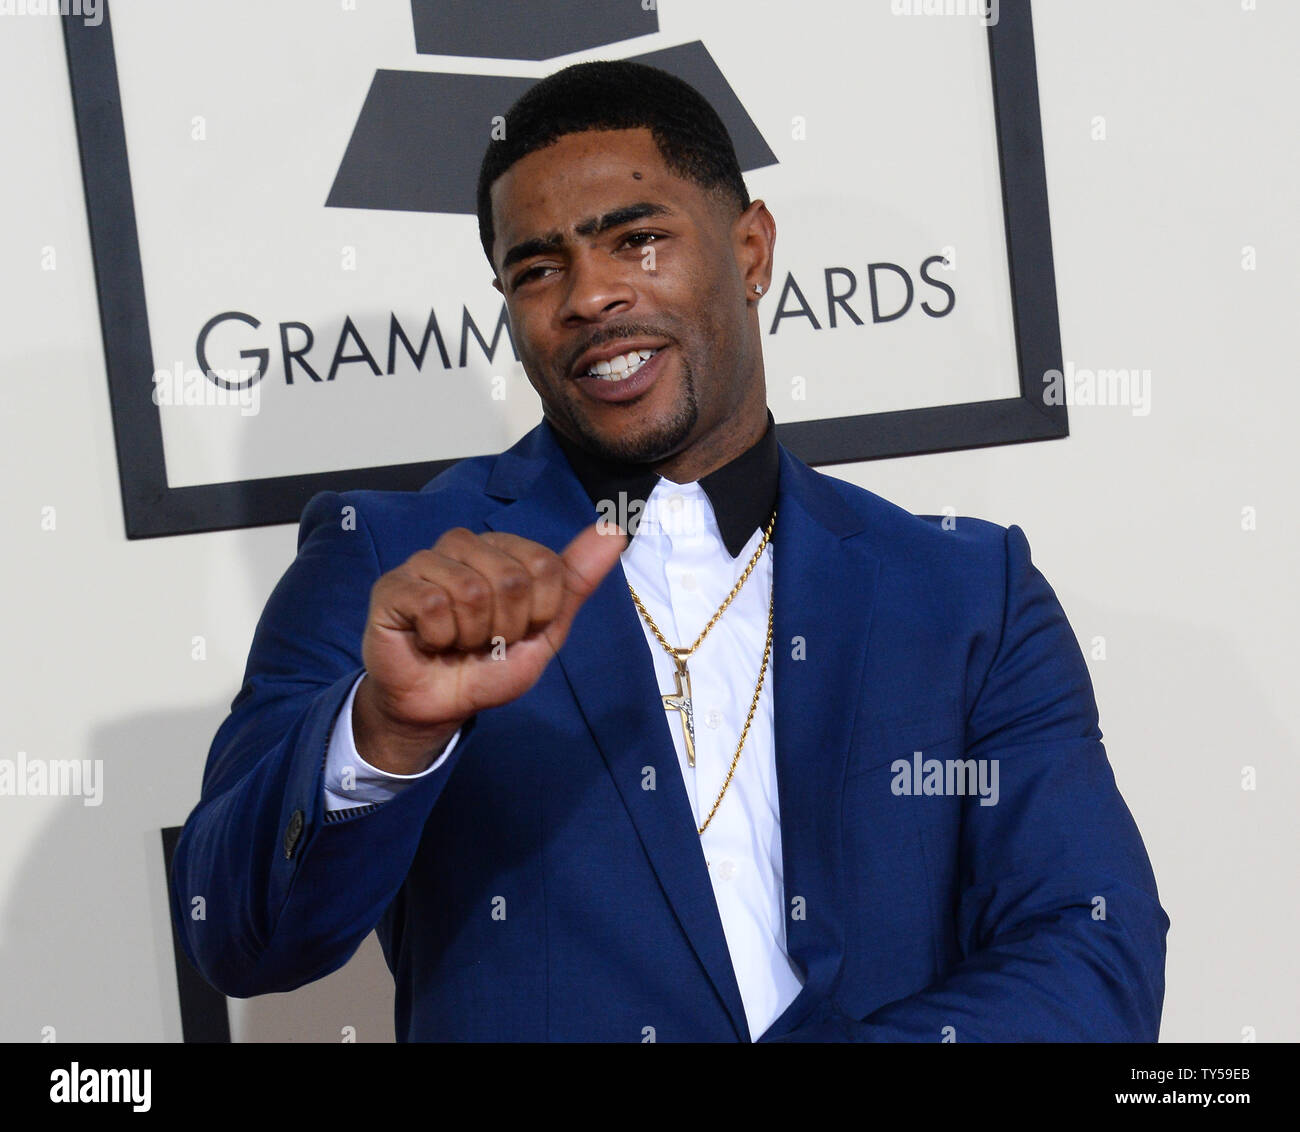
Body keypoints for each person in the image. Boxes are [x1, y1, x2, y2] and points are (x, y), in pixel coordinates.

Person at [170, 60, 1168, 1042]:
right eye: (537, 268)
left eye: (637, 242)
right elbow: (234, 936)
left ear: (750, 251)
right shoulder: (394, 563)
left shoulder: (966, 593)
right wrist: (385, 735)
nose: (589, 296)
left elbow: (1090, 945)